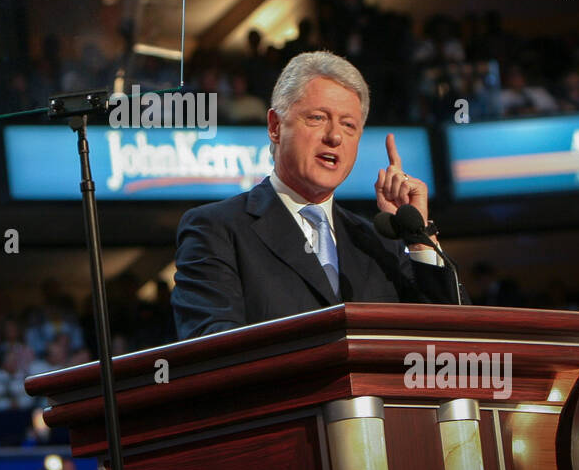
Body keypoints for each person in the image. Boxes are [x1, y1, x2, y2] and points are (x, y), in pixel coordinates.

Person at [172, 51, 463, 340]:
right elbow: (211, 347)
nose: (334, 136)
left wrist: (419, 235)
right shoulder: (215, 229)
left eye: (349, 125)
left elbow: (452, 341)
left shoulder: (380, 244)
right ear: (275, 126)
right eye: (317, 117)